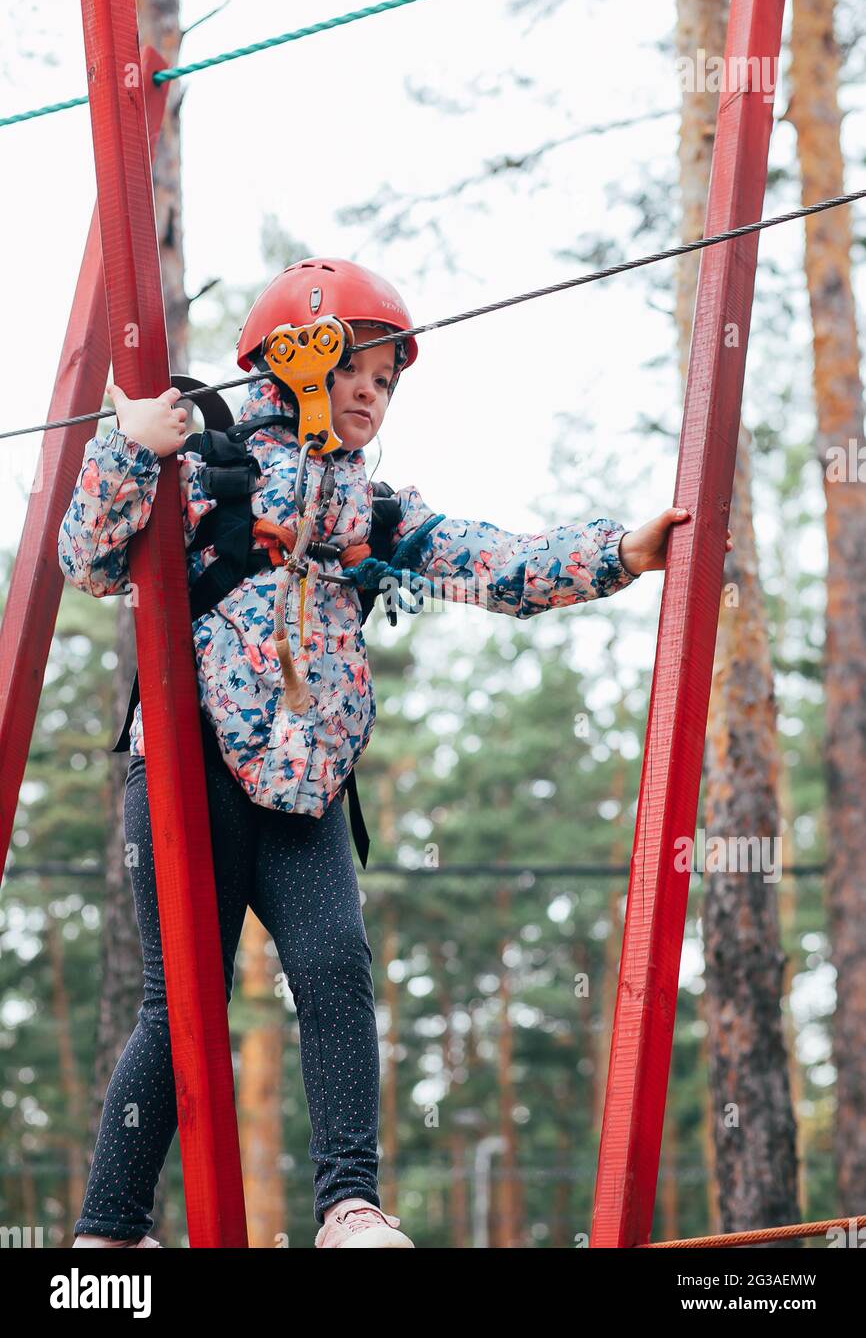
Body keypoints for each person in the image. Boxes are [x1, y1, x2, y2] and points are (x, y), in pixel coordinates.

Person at [57, 257, 732, 1249]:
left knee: (336, 967)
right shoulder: (206, 467)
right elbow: (90, 560)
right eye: (356, 372)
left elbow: (488, 561)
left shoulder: (371, 510)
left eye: (387, 380)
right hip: (192, 770)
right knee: (183, 1002)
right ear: (292, 368)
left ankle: (346, 1205)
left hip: (307, 783)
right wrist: (129, 447)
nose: (373, 392)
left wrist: (615, 555)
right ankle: (109, 1228)